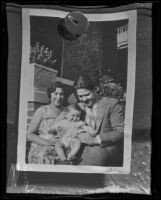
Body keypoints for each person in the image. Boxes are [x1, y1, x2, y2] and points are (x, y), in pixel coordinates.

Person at [74, 74, 124, 166]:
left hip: (103, 147)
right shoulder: (78, 107)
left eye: (87, 95)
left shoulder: (111, 104)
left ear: (95, 89)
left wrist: (95, 139)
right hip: (78, 147)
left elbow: (120, 132)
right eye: (80, 96)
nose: (84, 99)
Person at [26, 81, 68, 164]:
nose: (59, 97)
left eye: (61, 94)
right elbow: (29, 135)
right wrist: (47, 142)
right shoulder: (42, 111)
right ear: (50, 95)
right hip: (42, 145)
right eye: (55, 93)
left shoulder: (67, 111)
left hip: (62, 146)